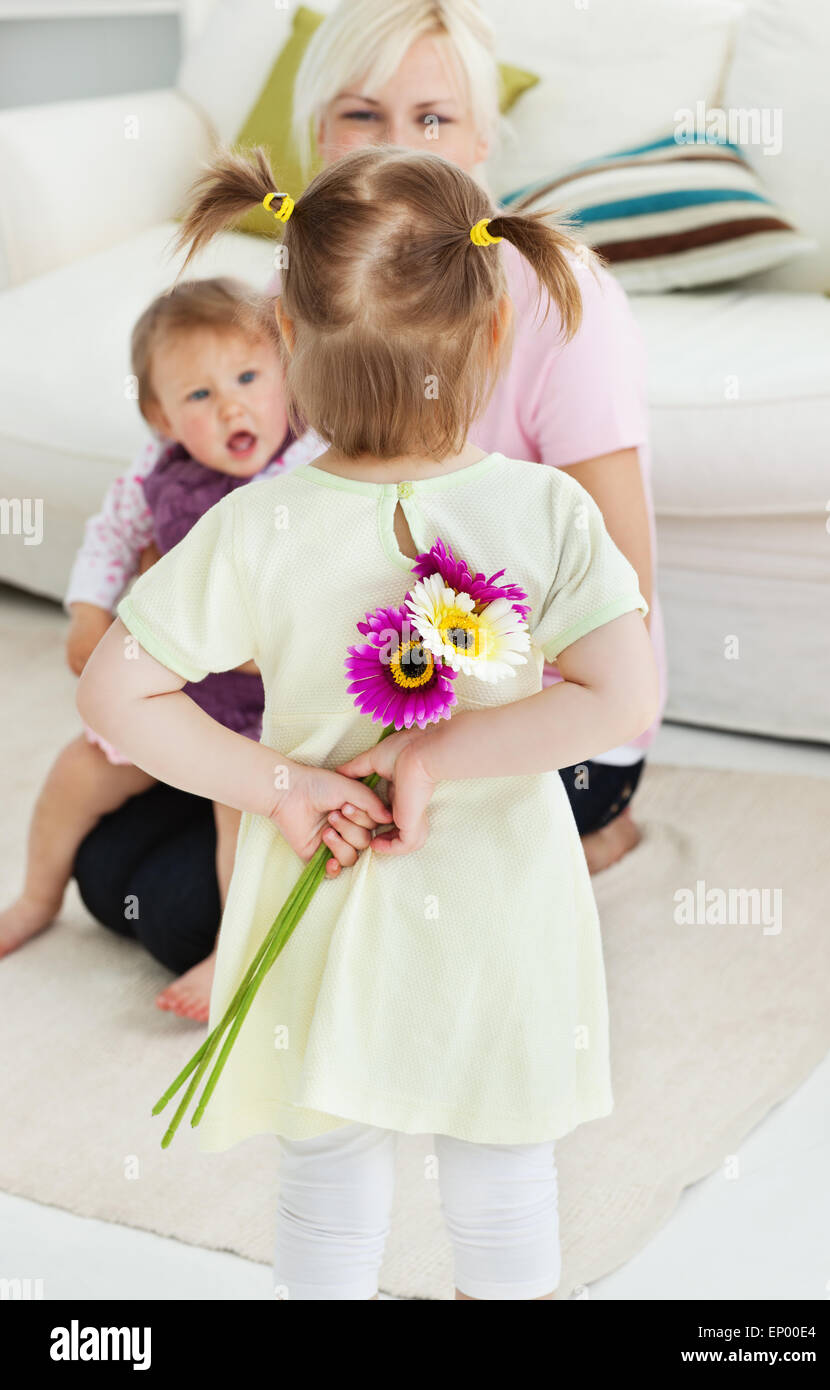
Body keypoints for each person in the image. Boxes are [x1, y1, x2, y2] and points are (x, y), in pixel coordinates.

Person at [76, 141, 658, 1300]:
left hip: (323, 924)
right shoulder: (541, 508)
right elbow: (623, 694)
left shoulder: (259, 526)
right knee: (502, 1182)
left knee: (327, 1183)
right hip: (497, 921)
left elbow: (113, 691)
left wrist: (277, 786)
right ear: (493, 339)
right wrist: (448, 750)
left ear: (285, 341)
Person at [71, 0, 666, 1023]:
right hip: (342, 695)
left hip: (512, 716)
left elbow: (620, 643)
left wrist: (404, 748)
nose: (396, 145)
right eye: (360, 115)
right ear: (316, 139)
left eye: (432, 119)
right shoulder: (303, 297)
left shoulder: (560, 304)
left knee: (185, 900)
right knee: (106, 857)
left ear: (481, 141)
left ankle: (583, 828)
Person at [0, 277, 306, 1022]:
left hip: (260, 706)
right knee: (79, 768)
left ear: (290, 372)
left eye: (247, 377)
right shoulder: (154, 470)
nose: (231, 405)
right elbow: (109, 541)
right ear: (160, 415)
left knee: (242, 817)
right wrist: (85, 614)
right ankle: (36, 897)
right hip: (171, 696)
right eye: (197, 397)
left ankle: (234, 953)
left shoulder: (309, 467)